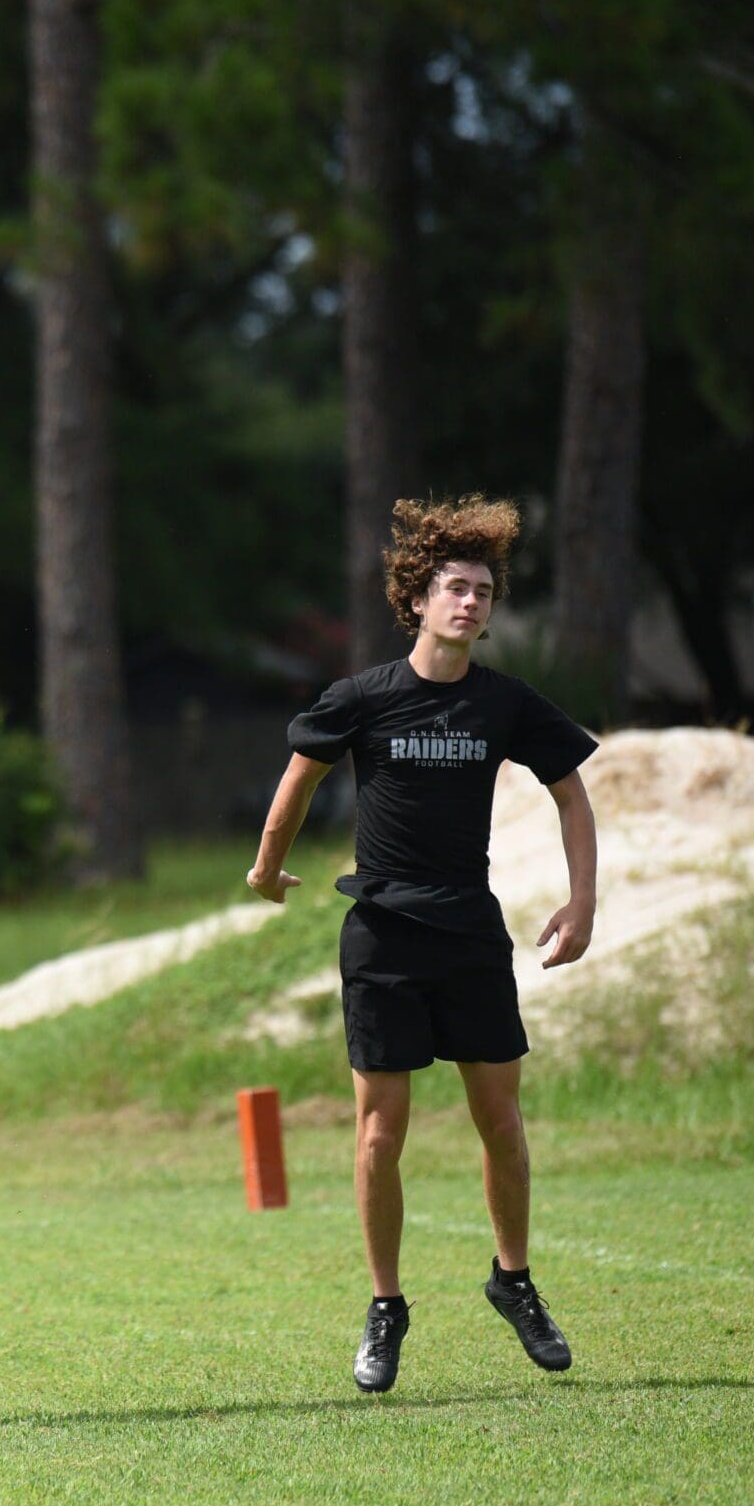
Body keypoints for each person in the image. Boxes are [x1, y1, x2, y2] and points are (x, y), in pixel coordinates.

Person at [245, 496, 598, 1394]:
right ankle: (385, 1306)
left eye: (482, 590)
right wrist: (265, 867)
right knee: (379, 1135)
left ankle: (513, 1280)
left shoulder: (504, 702)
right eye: (454, 587)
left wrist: (582, 901)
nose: (470, 603)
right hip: (383, 937)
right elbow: (299, 776)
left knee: (502, 1124)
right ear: (419, 598)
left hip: (471, 934)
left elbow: (570, 791)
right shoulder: (363, 696)